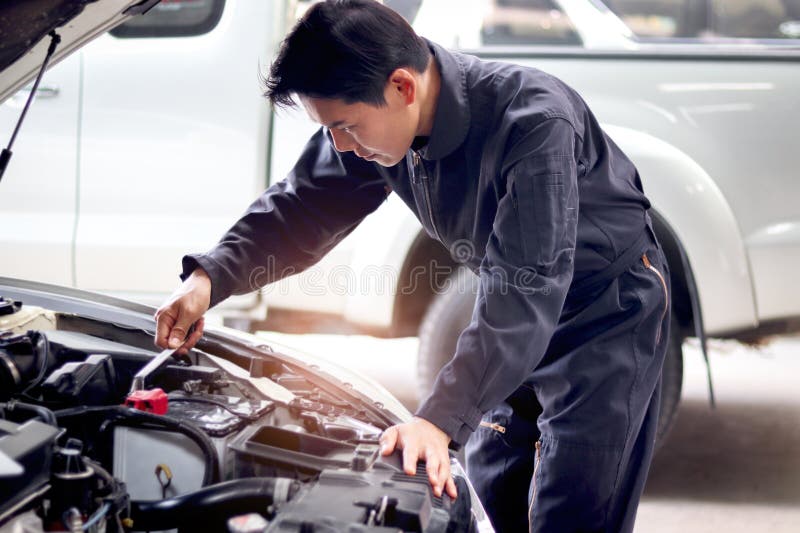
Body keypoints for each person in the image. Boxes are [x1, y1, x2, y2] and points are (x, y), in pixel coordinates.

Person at [154, 1, 670, 531]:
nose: (339, 145)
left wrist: (437, 420)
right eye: (329, 129)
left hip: (604, 314)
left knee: (574, 505)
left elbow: (530, 285)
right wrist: (210, 278)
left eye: (346, 126)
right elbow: (300, 207)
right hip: (513, 312)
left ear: (403, 87)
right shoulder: (377, 126)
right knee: (496, 485)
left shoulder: (533, 123)